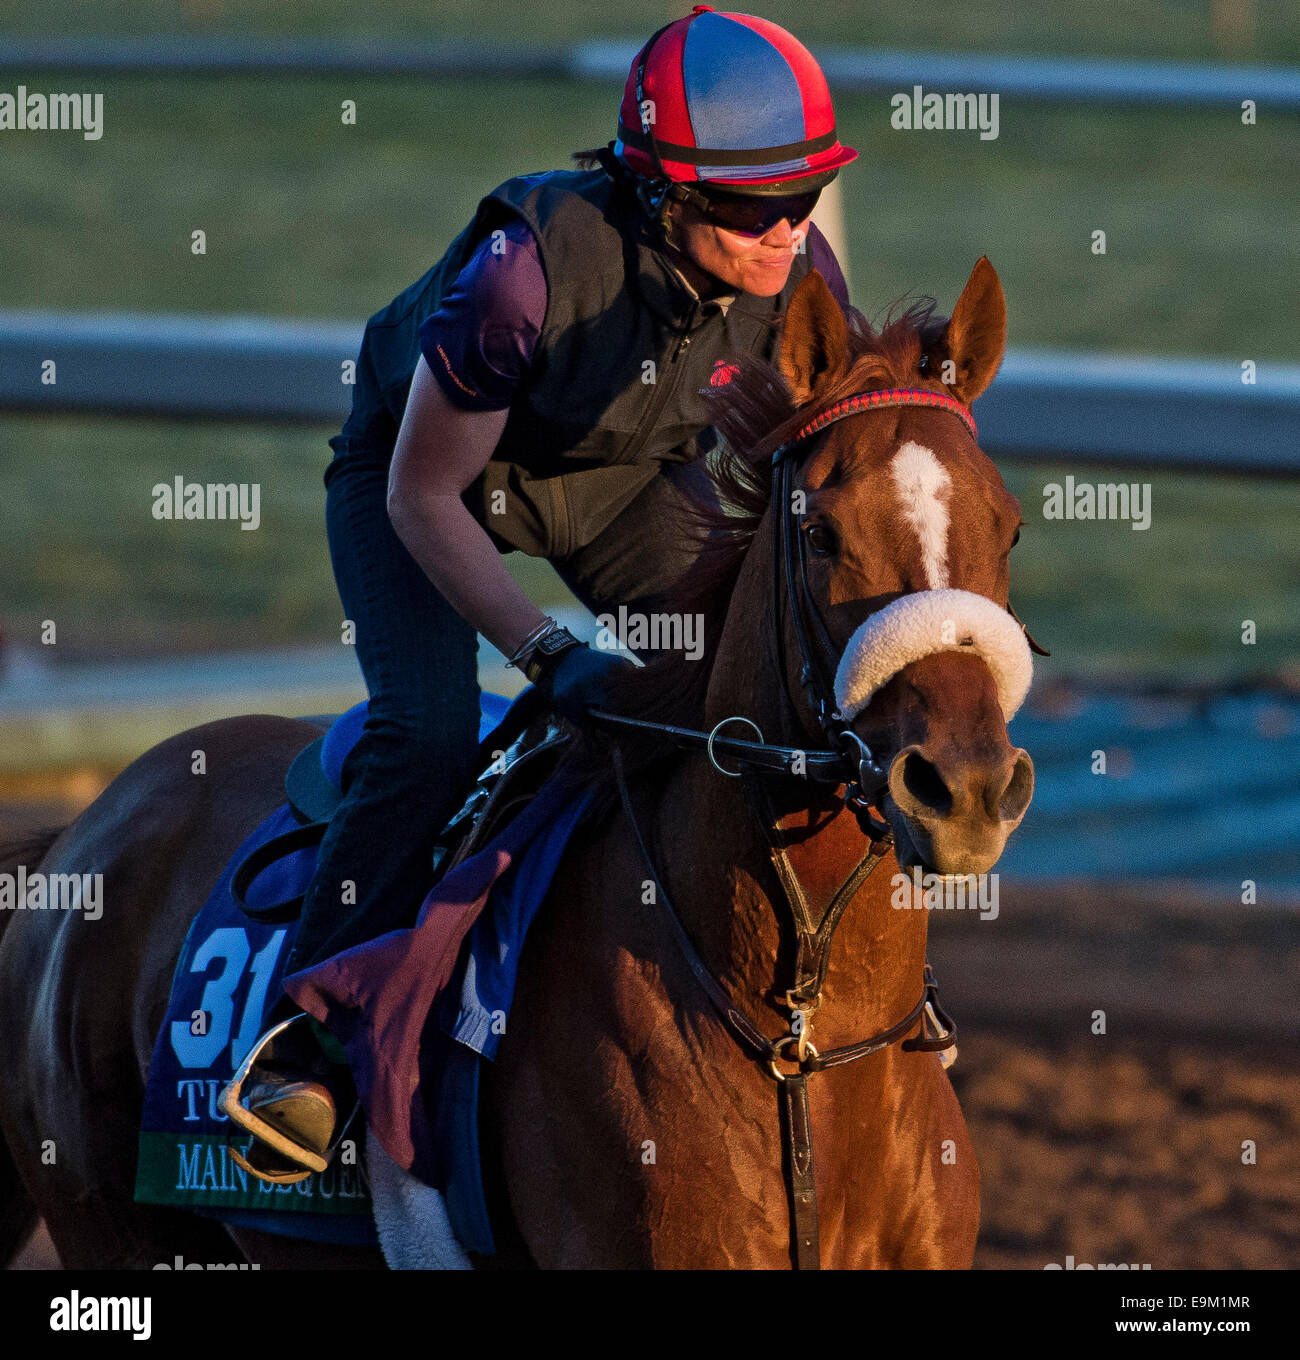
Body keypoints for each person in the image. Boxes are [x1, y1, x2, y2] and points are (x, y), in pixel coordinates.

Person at [221, 4, 857, 1183]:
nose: (785, 230)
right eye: (751, 206)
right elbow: (426, 500)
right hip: (423, 484)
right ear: (663, 194)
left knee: (727, 699)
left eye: (805, 195)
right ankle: (305, 1045)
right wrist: (542, 649)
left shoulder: (796, 270)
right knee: (425, 732)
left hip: (613, 487)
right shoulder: (521, 273)